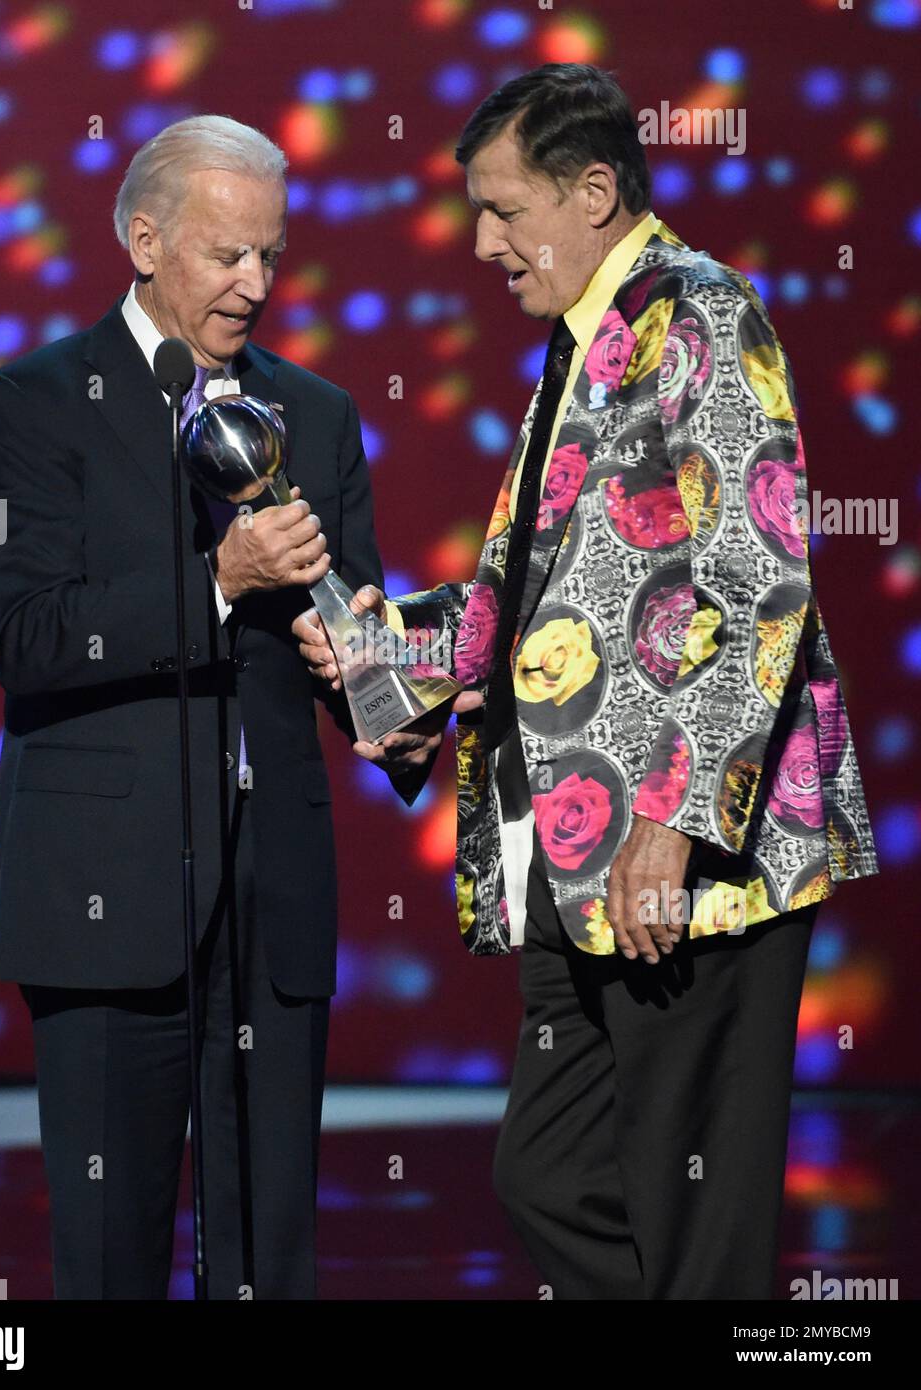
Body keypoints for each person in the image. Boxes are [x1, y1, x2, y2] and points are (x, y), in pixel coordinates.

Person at [296, 64, 879, 1299]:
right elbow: (524, 603)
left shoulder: (705, 318)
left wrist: (672, 819)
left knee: (693, 1223)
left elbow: (757, 581)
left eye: (504, 210)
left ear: (595, 191)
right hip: (575, 865)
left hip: (684, 864)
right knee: (548, 1175)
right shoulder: (586, 345)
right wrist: (378, 654)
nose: (480, 242)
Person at [0, 114, 392, 1299]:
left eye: (271, 253)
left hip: (272, 905)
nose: (256, 285)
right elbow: (29, 636)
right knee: (110, 1255)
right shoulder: (35, 403)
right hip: (108, 897)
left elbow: (352, 626)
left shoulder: (316, 414)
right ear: (144, 240)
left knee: (269, 1259)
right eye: (226, 255)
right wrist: (217, 584)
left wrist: (396, 709)